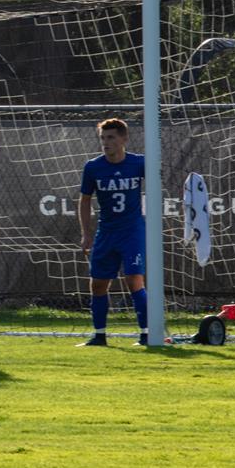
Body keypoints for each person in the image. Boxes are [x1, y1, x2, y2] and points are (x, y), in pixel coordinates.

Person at [77, 118, 151, 346]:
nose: (106, 142)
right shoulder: (93, 167)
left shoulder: (139, 163)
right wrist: (86, 233)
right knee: (98, 283)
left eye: (111, 137)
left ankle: (147, 334)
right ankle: (99, 336)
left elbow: (156, 188)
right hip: (106, 232)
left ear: (124, 139)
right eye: (103, 138)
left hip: (132, 232)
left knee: (134, 280)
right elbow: (85, 200)